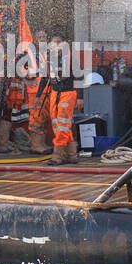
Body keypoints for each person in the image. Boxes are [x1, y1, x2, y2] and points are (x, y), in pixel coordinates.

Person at [45, 31, 80, 165]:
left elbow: (80, 78)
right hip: (54, 94)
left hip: (68, 94)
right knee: (59, 126)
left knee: (62, 126)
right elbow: (45, 79)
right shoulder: (51, 60)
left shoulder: (71, 59)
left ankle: (57, 156)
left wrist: (80, 98)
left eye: (58, 43)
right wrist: (38, 96)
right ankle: (71, 155)